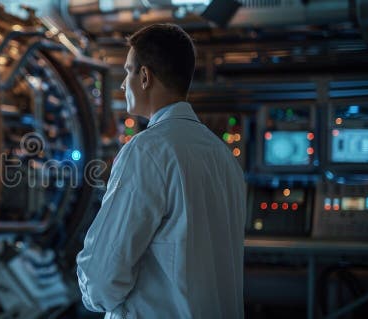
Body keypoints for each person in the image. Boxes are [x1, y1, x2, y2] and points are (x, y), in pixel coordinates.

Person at [76, 24, 246, 319]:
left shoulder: (147, 151)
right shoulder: (224, 158)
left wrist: (91, 294)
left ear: (144, 77)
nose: (122, 84)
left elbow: (103, 275)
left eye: (128, 71)